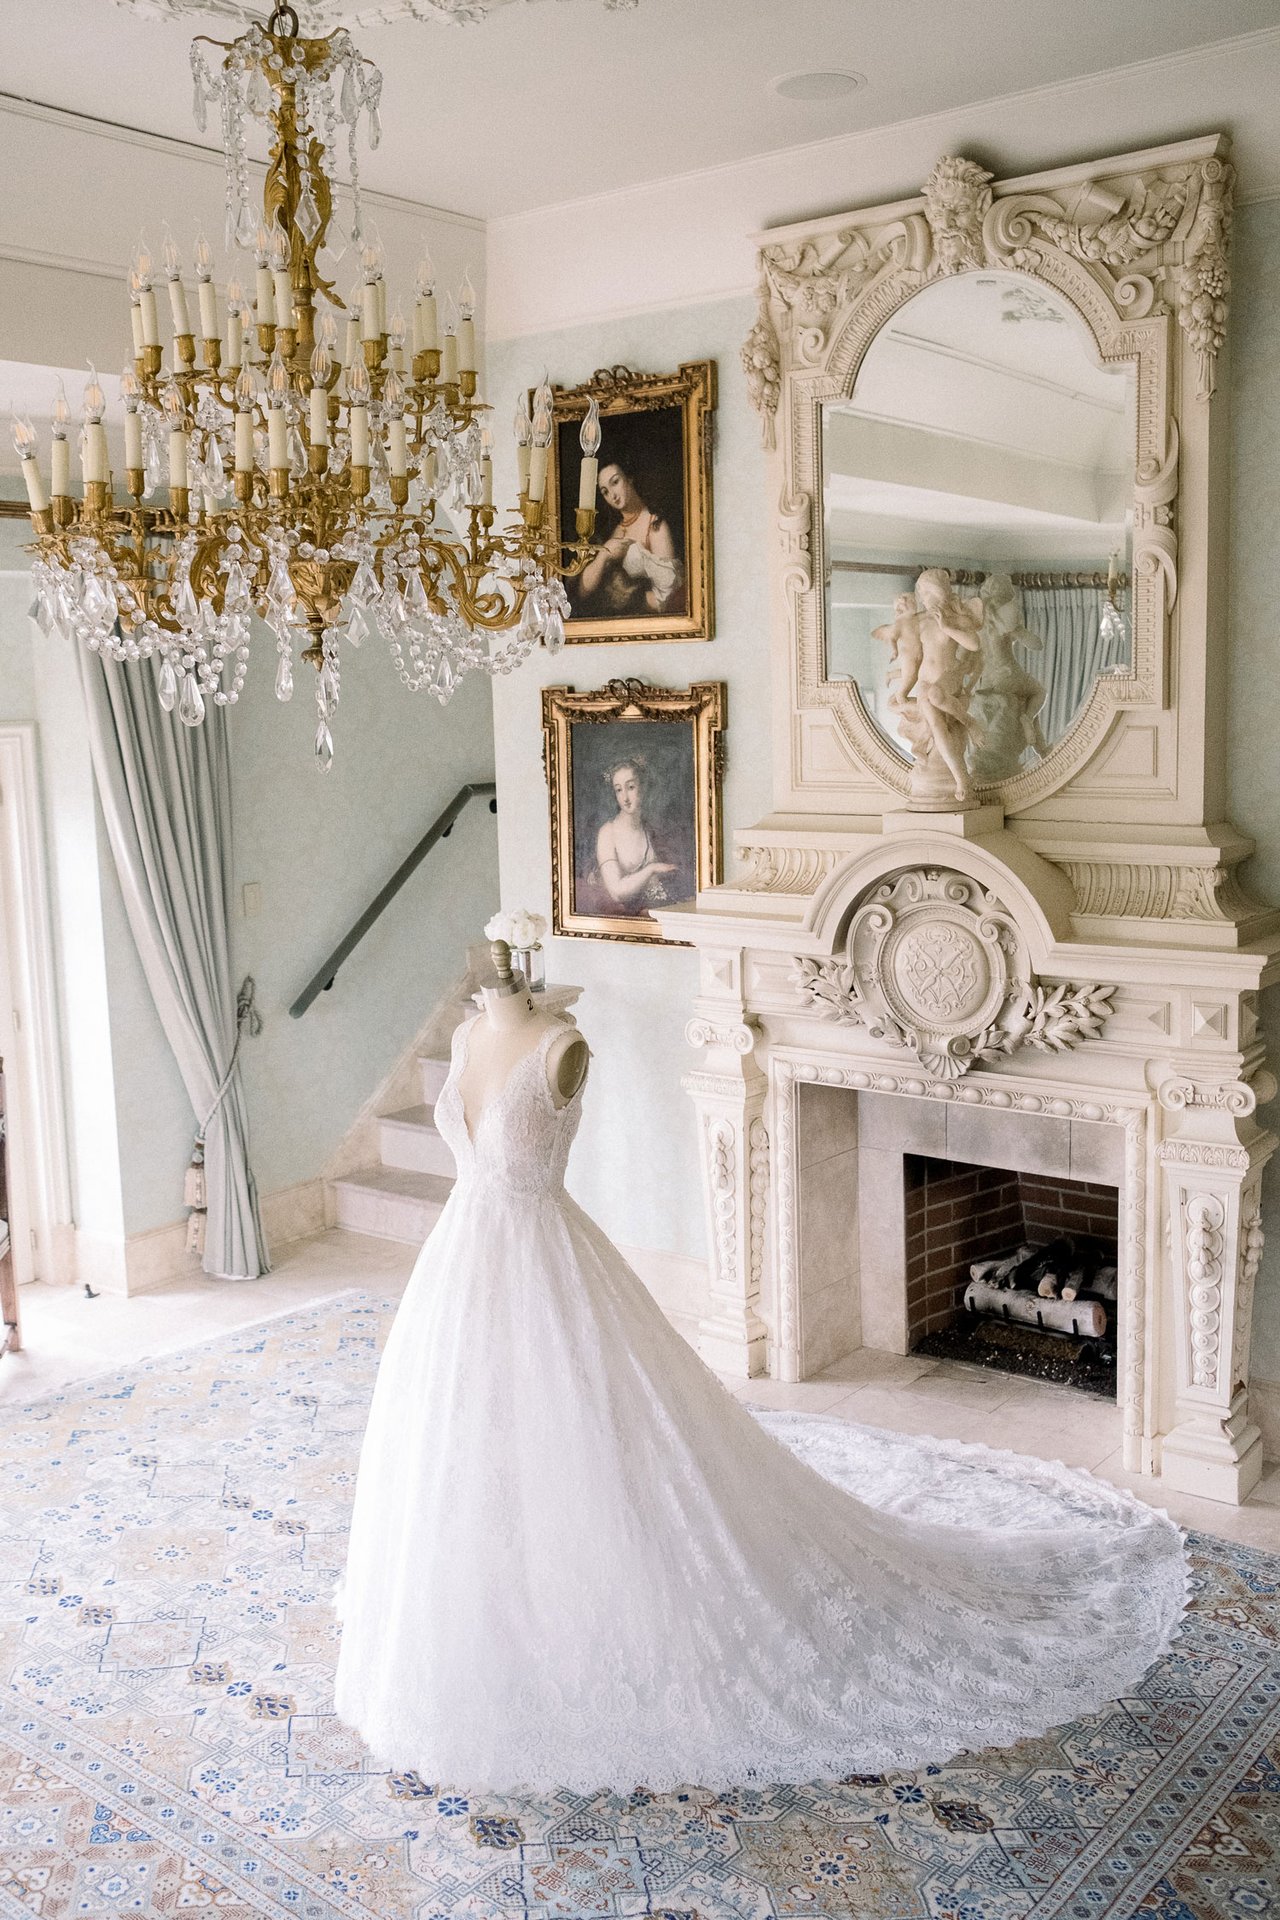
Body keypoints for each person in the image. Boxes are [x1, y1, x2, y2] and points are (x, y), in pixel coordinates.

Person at [333, 958, 1188, 1795]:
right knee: (467, 1446)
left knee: (590, 1428)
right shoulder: (471, 1028)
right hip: (462, 1270)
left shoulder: (560, 1041)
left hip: (544, 1259)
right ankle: (490, 1622)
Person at [576, 458, 686, 617]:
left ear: (629, 478)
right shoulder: (613, 531)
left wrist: (632, 600)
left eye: (615, 482)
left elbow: (669, 594)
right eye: (605, 491)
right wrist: (603, 555)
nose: (612, 495)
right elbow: (583, 592)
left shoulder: (655, 526)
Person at [588, 755, 680, 914]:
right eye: (618, 790)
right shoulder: (607, 832)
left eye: (630, 787)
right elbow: (617, 892)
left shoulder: (651, 830)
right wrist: (651, 869)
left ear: (643, 787)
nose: (625, 798)